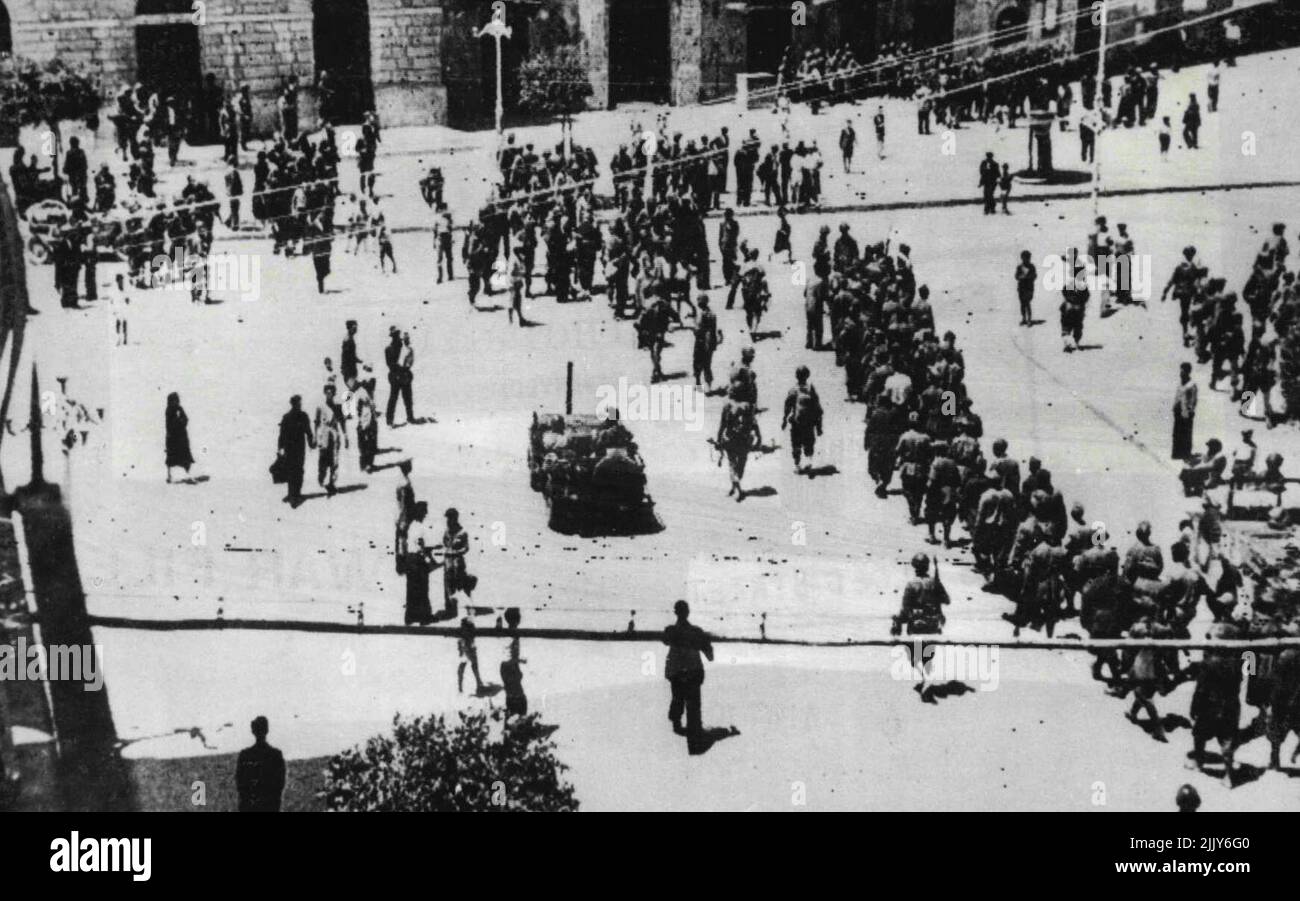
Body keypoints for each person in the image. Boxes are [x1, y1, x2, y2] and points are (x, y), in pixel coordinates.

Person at [891, 554, 950, 703]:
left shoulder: (911, 584)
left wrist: (897, 620)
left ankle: (926, 680)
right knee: (927, 656)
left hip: (916, 625)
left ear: (914, 567)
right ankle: (926, 679)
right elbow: (947, 600)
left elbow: (905, 608)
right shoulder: (934, 582)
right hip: (933, 624)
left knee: (914, 657)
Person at [663, 600, 714, 754]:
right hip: (693, 672)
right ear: (688, 612)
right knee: (693, 707)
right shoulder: (697, 632)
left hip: (676, 672)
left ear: (675, 612)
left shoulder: (671, 631)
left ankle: (677, 724)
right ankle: (695, 740)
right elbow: (710, 655)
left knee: (677, 697)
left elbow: (665, 640)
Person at [716, 385, 762, 500]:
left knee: (732, 464)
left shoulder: (727, 405)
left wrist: (718, 439)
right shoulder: (748, 406)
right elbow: (754, 424)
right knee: (740, 465)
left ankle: (734, 487)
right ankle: (738, 489)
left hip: (730, 439)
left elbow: (722, 425)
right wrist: (759, 438)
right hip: (744, 440)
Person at [235, 716, 285, 812]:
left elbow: (241, 785)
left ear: (253, 730)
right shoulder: (275, 755)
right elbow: (279, 785)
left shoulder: (245, 755)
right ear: (267, 730)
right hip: (268, 806)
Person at [782, 366, 823, 475]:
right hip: (809, 422)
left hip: (796, 422)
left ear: (796, 376)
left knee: (796, 443)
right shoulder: (811, 389)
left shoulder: (793, 390)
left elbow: (787, 406)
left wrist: (784, 420)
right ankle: (809, 462)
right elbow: (817, 408)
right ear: (807, 376)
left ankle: (797, 465)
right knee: (809, 442)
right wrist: (819, 426)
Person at [277, 395, 315, 504]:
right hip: (292, 448)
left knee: (297, 470)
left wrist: (311, 443)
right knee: (293, 470)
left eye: (300, 403)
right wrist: (280, 448)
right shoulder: (288, 417)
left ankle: (296, 494)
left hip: (297, 448)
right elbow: (282, 435)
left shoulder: (302, 416)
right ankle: (292, 494)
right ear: (294, 404)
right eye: (298, 403)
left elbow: (308, 432)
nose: (300, 405)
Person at [314, 383, 347, 496]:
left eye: (331, 392)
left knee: (335, 459)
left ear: (334, 393)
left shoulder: (338, 408)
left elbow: (342, 422)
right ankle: (321, 477)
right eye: (327, 392)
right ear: (324, 393)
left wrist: (345, 435)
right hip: (323, 435)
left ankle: (332, 483)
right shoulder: (320, 407)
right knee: (323, 459)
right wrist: (314, 436)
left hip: (334, 435)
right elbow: (316, 422)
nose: (329, 394)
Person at [500, 607, 527, 720]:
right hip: (510, 667)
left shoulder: (512, 633)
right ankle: (517, 720)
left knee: (513, 694)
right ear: (517, 619)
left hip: (509, 667)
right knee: (517, 696)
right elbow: (507, 657)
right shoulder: (512, 635)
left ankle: (514, 719)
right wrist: (519, 661)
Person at [692, 295, 721, 389]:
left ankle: (698, 385)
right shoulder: (712, 313)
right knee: (707, 365)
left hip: (701, 342)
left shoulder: (702, 314)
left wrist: (694, 327)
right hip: (710, 342)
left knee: (697, 364)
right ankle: (709, 387)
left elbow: (698, 329)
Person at [165, 392, 194, 483]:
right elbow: (170, 424)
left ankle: (188, 475)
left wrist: (181, 421)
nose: (175, 402)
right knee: (171, 457)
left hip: (182, 438)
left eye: (176, 400)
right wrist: (179, 422)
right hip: (173, 438)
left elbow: (186, 419)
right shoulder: (169, 410)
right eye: (173, 400)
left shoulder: (179, 409)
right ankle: (170, 476)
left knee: (185, 457)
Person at [1172, 362, 1197, 461]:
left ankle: (1186, 453)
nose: (1181, 373)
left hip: (1186, 413)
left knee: (1186, 434)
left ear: (1188, 372)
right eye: (1181, 370)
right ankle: (1177, 453)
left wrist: (1189, 412)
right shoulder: (1180, 383)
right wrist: (1174, 407)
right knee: (1177, 433)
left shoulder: (1191, 385)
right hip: (1178, 412)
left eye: (1183, 371)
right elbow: (1177, 396)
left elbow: (1193, 400)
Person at [457, 616, 485, 695]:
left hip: (466, 646)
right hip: (467, 646)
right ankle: (478, 683)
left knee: (465, 666)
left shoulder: (466, 627)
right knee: (472, 666)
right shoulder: (469, 626)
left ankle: (461, 687)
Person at [1015, 250, 1036, 326]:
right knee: (1022, 304)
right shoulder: (1019, 267)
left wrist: (1027, 277)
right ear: (1022, 258)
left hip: (1029, 288)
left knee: (1027, 303)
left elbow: (1034, 276)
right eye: (1025, 258)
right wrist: (1022, 277)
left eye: (1028, 258)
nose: (1027, 259)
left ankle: (1029, 319)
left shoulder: (1032, 267)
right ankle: (1024, 318)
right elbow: (1016, 276)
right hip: (1021, 288)